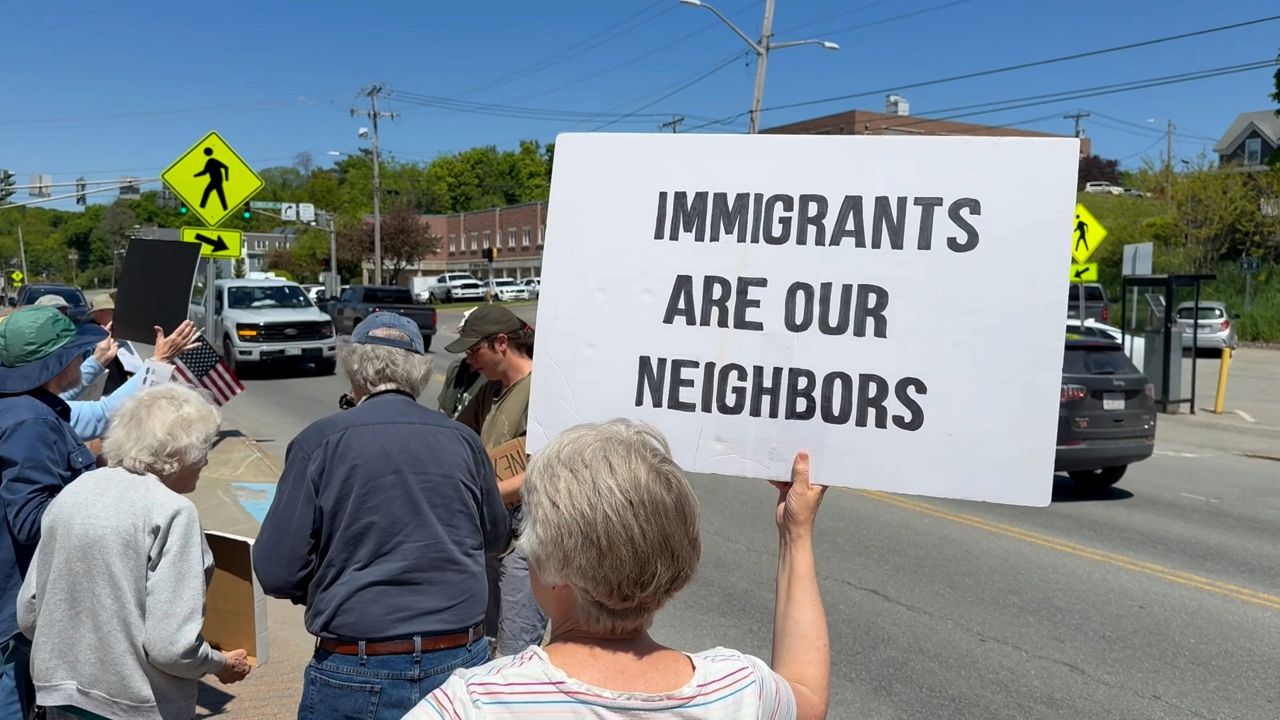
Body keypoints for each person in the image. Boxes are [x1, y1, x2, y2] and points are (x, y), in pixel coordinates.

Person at [407, 421, 831, 720]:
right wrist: (797, 532)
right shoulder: (740, 691)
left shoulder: (473, 704)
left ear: (550, 562)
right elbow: (807, 699)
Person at [253, 312, 508, 720]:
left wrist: (330, 580)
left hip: (358, 660)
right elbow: (494, 536)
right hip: (458, 658)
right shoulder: (463, 440)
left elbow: (277, 570)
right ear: (418, 373)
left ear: (354, 370)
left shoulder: (319, 442)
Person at [18, 384, 252, 719]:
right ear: (180, 452)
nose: (206, 459)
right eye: (204, 447)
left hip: (61, 695)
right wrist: (219, 664)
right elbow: (171, 647)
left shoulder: (73, 492)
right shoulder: (172, 511)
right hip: (135, 704)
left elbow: (29, 614)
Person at [0, 306, 109, 718]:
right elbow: (32, 520)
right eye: (76, 352)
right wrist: (101, 491)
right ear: (57, 362)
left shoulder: (22, 409)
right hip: (14, 612)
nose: (83, 358)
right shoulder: (31, 421)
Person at [449, 305, 545, 656]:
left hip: (528, 538)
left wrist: (484, 495)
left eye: (475, 349)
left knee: (516, 651)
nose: (470, 360)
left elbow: (543, 471)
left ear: (501, 343)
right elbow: (454, 436)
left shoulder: (540, 391)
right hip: (492, 531)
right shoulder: (489, 390)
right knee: (484, 644)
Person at [60, 320, 201, 442]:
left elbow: (61, 396)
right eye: (74, 351)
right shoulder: (49, 411)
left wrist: (98, 360)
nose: (79, 356)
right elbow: (105, 415)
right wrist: (160, 361)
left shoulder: (46, 400)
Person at [436, 307, 485, 420]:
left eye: (474, 347)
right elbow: (442, 411)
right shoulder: (456, 368)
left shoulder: (493, 378)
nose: (467, 350)